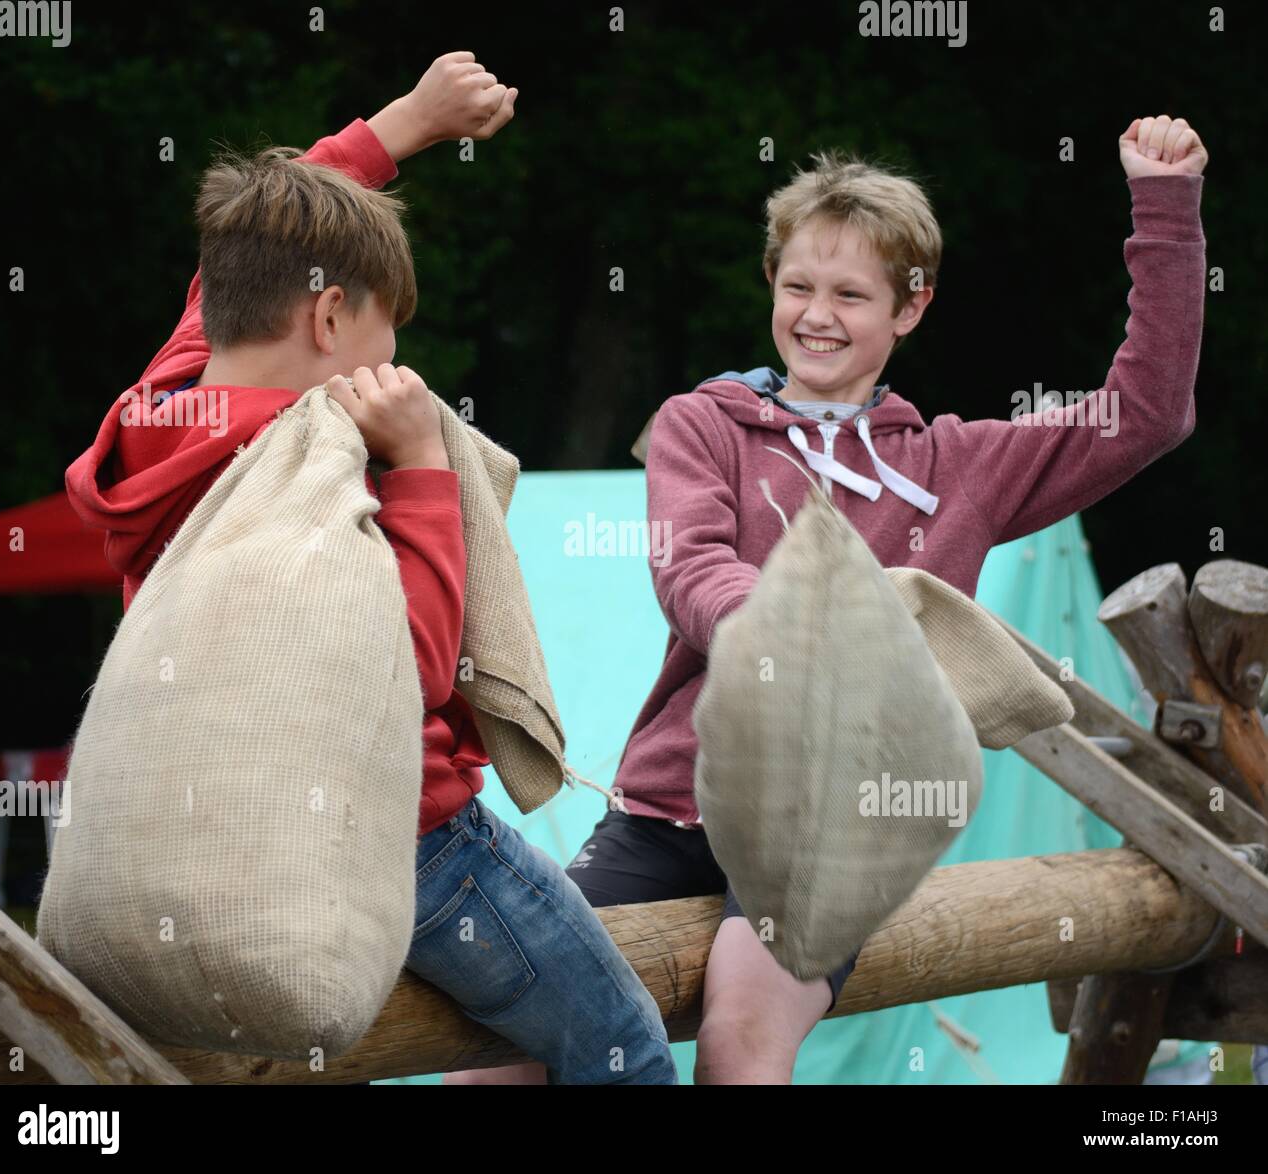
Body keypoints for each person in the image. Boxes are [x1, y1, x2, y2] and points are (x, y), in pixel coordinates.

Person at [459, 114, 1209, 1084]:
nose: (817, 312)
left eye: (850, 293)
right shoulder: (702, 423)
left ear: (908, 307)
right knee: (499, 1049)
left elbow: (1148, 413)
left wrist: (1166, 206)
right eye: (798, 285)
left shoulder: (956, 462)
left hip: (839, 824)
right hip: (667, 814)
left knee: (741, 1034)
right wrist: (820, 637)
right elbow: (689, 572)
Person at [64, 51, 677, 1086]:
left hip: (207, 838)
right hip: (405, 845)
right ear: (330, 318)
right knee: (626, 1048)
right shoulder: (317, 461)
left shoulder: (165, 412)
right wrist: (425, 464)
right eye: (387, 335)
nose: (394, 367)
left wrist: (401, 125)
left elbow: (241, 255)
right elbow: (411, 669)